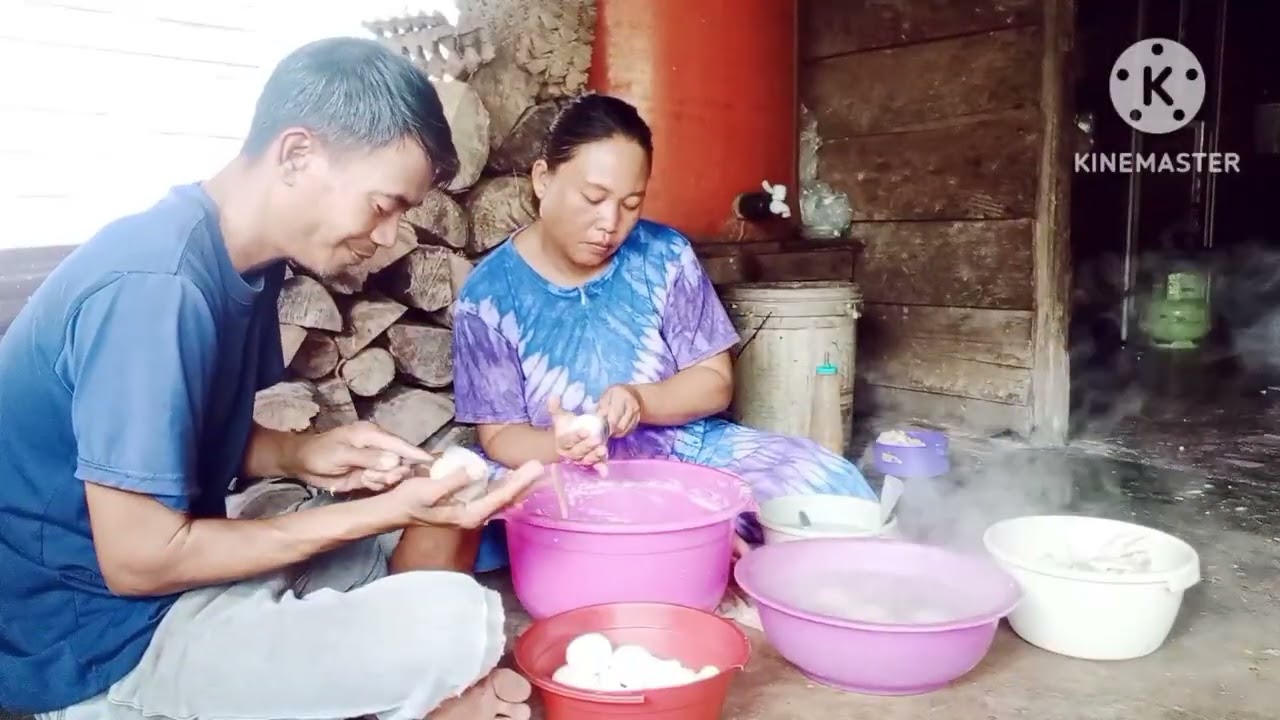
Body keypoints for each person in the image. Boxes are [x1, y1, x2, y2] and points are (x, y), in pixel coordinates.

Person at [0, 37, 539, 720]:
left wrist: (300, 453)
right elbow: (137, 560)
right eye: (383, 205)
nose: (387, 236)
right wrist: (383, 510)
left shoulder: (249, 264)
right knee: (448, 621)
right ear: (296, 154)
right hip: (87, 639)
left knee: (396, 544)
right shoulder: (154, 290)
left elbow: (192, 426)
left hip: (166, 584)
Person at [451, 93, 877, 573]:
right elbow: (501, 435)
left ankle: (707, 544)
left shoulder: (664, 255)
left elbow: (715, 382)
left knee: (828, 484)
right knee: (468, 514)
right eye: (593, 198)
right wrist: (565, 445)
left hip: (685, 452)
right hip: (564, 471)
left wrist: (641, 399)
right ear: (544, 179)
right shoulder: (488, 296)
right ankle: (710, 547)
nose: (610, 224)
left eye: (631, 203)